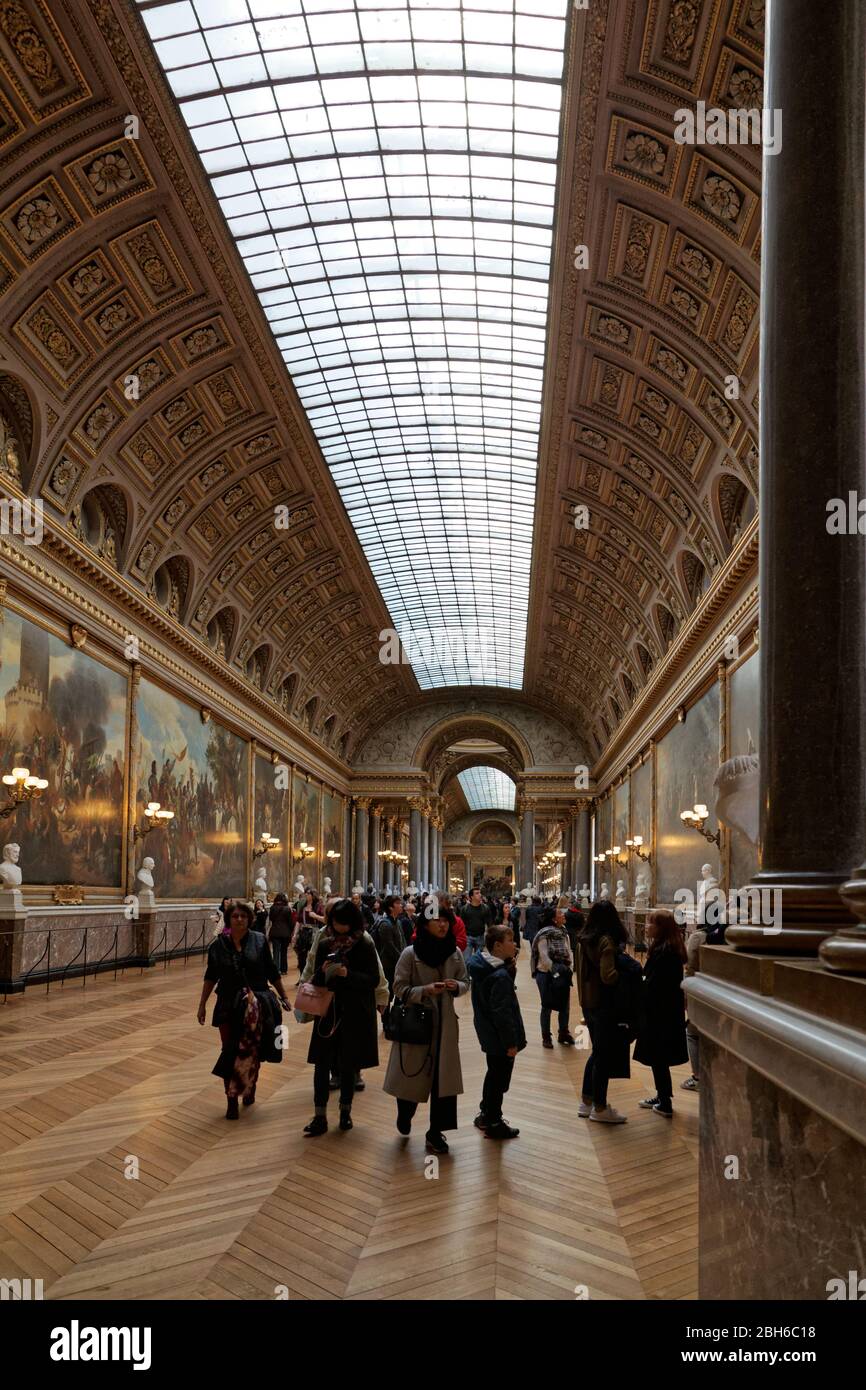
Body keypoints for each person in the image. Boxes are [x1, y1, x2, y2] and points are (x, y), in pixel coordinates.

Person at [383, 895, 469, 1155]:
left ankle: (435, 1132)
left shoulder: (454, 953)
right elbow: (397, 987)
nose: (443, 925)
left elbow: (466, 980)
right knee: (412, 1073)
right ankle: (405, 1114)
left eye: (446, 921)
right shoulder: (411, 953)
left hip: (445, 1025)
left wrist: (458, 987)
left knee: (443, 1081)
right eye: (437, 921)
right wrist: (425, 990)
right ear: (425, 924)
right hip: (417, 1023)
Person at [197, 899, 289, 1119]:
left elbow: (271, 971)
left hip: (257, 1003)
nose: (239, 919)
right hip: (229, 1003)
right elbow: (211, 977)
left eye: (243, 916)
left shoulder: (259, 941)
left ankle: (250, 1085)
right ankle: (231, 1099)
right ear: (228, 919)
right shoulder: (218, 946)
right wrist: (202, 1005)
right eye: (235, 916)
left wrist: (284, 995)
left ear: (250, 919)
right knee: (230, 1050)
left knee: (252, 1050)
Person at [300, 898, 380, 1136]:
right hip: (328, 1011)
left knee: (348, 1066)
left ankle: (345, 1112)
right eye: (335, 922)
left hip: (354, 1013)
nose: (339, 927)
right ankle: (319, 1115)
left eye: (343, 923)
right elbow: (314, 978)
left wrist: (348, 974)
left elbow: (372, 980)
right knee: (321, 1065)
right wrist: (322, 973)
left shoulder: (364, 945)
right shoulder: (325, 944)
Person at [468, 924, 525, 1139]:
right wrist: (511, 1043)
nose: (515, 945)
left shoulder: (483, 965)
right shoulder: (499, 976)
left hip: (487, 1032)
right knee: (499, 1079)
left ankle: (486, 1114)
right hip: (499, 1037)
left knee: (493, 1074)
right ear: (498, 946)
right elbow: (503, 1013)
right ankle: (494, 1121)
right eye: (511, 941)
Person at [577, 900, 629, 1124]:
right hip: (603, 1004)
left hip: (587, 1002)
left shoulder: (582, 940)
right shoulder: (605, 942)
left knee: (597, 1052)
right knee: (603, 1055)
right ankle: (600, 1107)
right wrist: (626, 977)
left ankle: (586, 1102)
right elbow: (608, 976)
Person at [634, 911, 689, 1117]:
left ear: (661, 928)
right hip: (664, 1011)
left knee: (659, 1056)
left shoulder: (665, 953)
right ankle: (662, 1095)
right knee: (659, 1057)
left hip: (660, 1013)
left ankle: (665, 1102)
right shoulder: (666, 949)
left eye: (651, 924)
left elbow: (655, 985)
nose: (647, 927)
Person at [531, 904, 575, 1048]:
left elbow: (569, 952)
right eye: (560, 913)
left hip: (562, 973)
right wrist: (556, 973)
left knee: (565, 1005)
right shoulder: (544, 934)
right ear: (554, 919)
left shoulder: (564, 932)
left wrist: (568, 969)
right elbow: (544, 957)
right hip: (546, 974)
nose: (563, 915)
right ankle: (546, 1036)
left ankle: (563, 1032)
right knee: (547, 1005)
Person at [373, 894, 410, 993]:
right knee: (388, 994)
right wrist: (402, 959)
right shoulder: (385, 924)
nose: (401, 905)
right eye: (398, 903)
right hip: (388, 965)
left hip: (398, 963)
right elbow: (389, 947)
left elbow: (403, 941)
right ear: (390, 907)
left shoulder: (398, 922)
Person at [292, 886, 323, 977]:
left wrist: (315, 916)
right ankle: (302, 976)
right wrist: (295, 934)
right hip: (304, 933)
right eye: (306, 893)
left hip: (315, 933)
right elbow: (299, 921)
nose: (306, 894)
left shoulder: (318, 906)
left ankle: (313, 977)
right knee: (301, 956)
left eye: (308, 893)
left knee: (313, 956)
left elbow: (325, 920)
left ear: (313, 895)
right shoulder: (303, 906)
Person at [266, 891, 294, 974]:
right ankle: (284, 970)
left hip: (275, 932)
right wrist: (292, 932)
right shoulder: (287, 908)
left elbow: (271, 919)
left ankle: (276, 970)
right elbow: (290, 922)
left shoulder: (272, 908)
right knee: (284, 951)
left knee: (275, 952)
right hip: (285, 932)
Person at [462, 886, 491, 959]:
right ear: (471, 897)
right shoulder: (465, 909)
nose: (480, 895)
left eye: (480, 893)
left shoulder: (485, 908)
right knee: (466, 959)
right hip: (468, 937)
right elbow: (461, 924)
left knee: (479, 960)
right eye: (477, 893)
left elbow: (489, 923)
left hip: (480, 936)